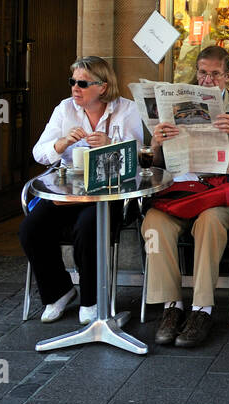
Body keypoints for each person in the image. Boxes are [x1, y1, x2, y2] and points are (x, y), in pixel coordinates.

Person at [142, 46, 229, 350]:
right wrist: (156, 143)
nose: (208, 80)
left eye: (215, 74)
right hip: (179, 192)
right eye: (202, 73)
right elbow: (154, 164)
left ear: (228, 75)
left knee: (209, 224)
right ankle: (172, 306)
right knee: (153, 224)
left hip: (219, 196)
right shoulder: (176, 104)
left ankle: (202, 309)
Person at [23, 57, 143, 324]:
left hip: (111, 193)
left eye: (83, 83)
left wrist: (110, 143)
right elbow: (39, 153)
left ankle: (91, 300)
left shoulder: (127, 109)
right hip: (70, 192)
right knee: (31, 228)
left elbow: (137, 157)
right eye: (73, 81)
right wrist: (62, 142)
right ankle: (59, 292)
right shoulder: (65, 109)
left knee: (89, 225)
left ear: (103, 86)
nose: (75, 88)